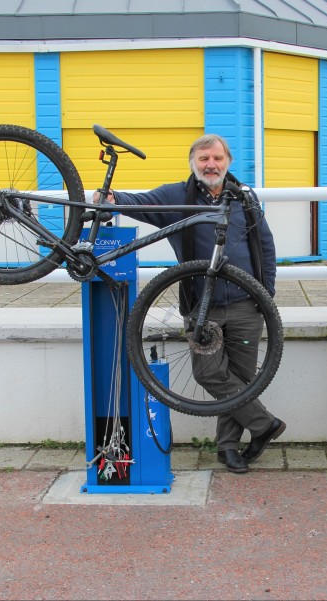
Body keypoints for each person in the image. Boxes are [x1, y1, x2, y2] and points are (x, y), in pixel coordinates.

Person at [101, 133, 286, 474]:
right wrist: (112, 198)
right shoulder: (177, 196)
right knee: (209, 373)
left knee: (242, 378)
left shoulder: (244, 197)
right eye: (203, 159)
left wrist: (266, 292)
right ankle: (264, 425)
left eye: (216, 158)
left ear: (228, 161)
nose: (211, 165)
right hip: (202, 306)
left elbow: (266, 245)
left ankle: (229, 448)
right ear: (193, 163)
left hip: (248, 304)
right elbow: (141, 202)